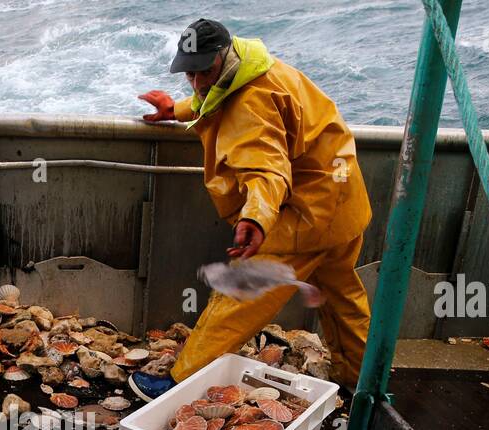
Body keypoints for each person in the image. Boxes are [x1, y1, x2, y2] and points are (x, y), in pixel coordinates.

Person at [131, 18, 372, 401]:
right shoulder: (255, 66)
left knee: (236, 298)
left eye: (203, 70)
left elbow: (267, 171)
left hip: (304, 218)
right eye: (188, 73)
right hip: (342, 205)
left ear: (223, 55)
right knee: (344, 299)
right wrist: (175, 109)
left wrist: (255, 218)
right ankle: (363, 383)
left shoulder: (252, 103)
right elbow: (214, 94)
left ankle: (180, 384)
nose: (196, 82)